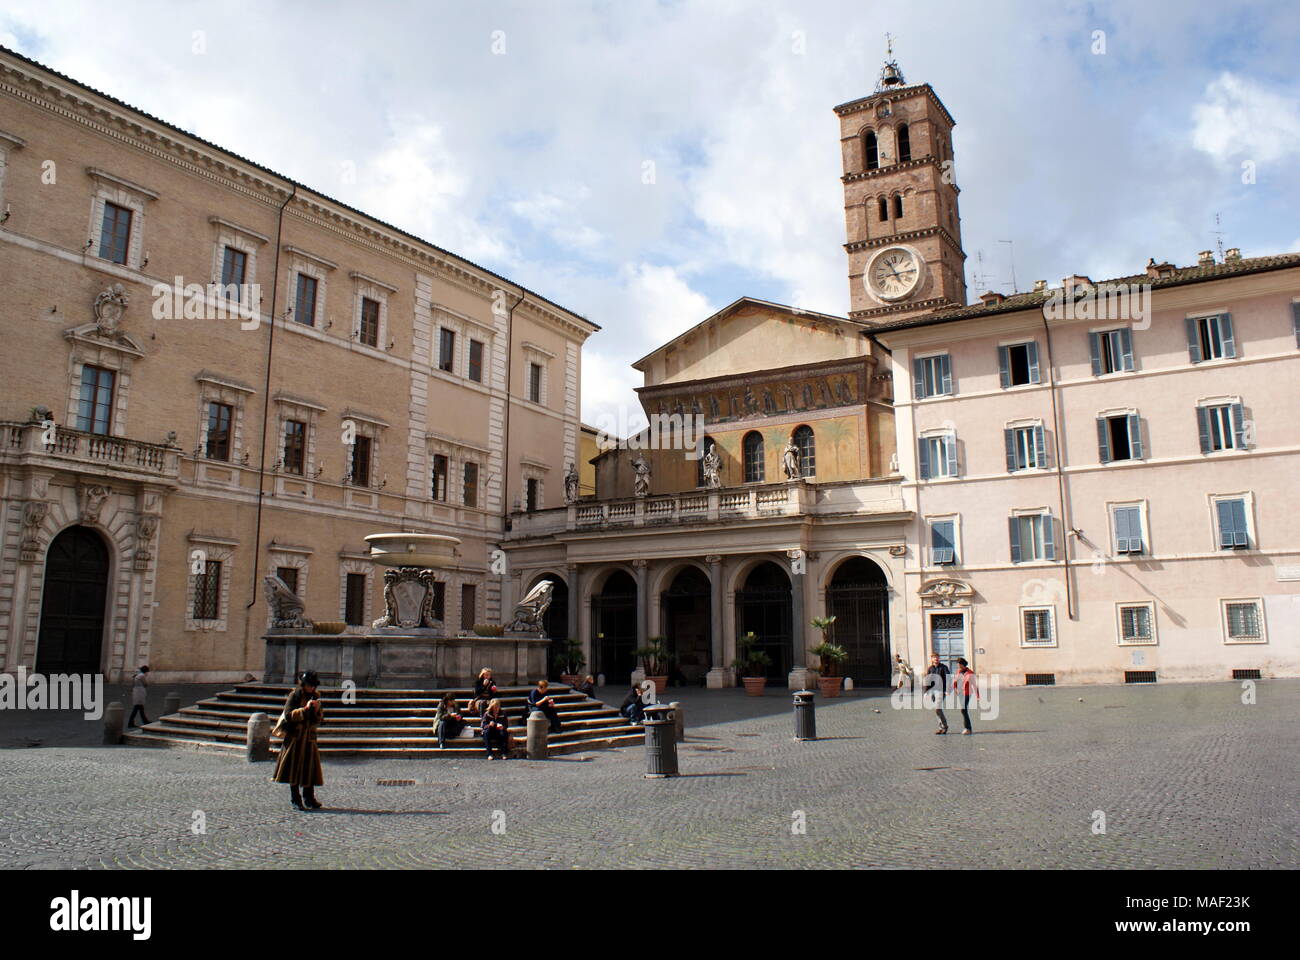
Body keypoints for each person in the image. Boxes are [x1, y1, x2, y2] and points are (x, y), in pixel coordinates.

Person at [272, 670, 325, 810]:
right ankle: (295, 798)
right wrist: (304, 710)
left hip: (309, 738)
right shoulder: (294, 695)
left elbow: (319, 719)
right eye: (309, 685)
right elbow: (288, 715)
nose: (312, 688)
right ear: (303, 684)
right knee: (293, 769)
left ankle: (309, 798)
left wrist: (317, 711)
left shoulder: (316, 696)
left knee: (310, 769)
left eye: (314, 685)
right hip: (295, 738)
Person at [952, 658, 981, 735]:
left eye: (959, 664)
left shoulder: (970, 673)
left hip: (967, 693)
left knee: (963, 710)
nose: (958, 666)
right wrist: (955, 689)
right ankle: (968, 728)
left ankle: (967, 728)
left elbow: (974, 685)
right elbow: (954, 681)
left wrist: (978, 696)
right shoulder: (958, 672)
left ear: (962, 664)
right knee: (964, 711)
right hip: (960, 693)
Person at [923, 653, 950, 735]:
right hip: (932, 692)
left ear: (939, 658)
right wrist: (926, 692)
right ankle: (941, 728)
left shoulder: (944, 667)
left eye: (937, 657)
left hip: (941, 691)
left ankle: (944, 726)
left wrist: (947, 690)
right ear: (931, 659)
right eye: (934, 658)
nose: (936, 659)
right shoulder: (930, 668)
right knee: (937, 710)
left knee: (937, 708)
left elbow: (948, 678)